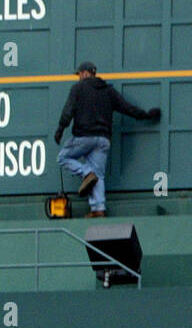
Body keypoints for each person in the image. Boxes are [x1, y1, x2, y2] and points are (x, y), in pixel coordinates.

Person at [54, 61, 160, 217]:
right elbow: (127, 108)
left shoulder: (78, 88)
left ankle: (86, 172)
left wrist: (60, 129)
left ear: (84, 73)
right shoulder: (108, 91)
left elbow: (68, 111)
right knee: (99, 175)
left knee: (63, 158)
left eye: (79, 74)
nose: (78, 77)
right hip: (103, 140)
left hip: (84, 136)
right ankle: (98, 209)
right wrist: (146, 114)